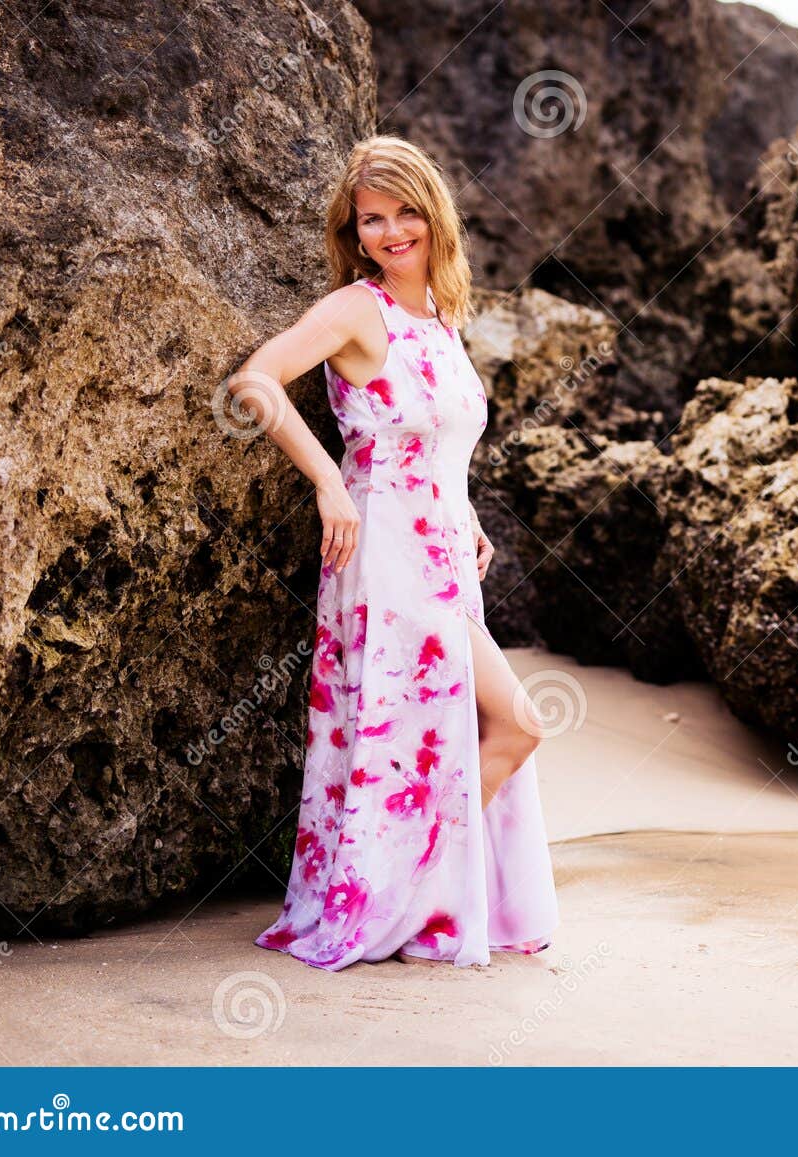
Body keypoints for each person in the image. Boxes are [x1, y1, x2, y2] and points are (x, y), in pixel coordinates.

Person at [229, 135, 558, 971]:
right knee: (511, 722)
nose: (390, 231)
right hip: (383, 553)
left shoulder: (442, 316)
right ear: (354, 232)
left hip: (443, 552)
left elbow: (435, 440)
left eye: (406, 212)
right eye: (371, 219)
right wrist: (327, 482)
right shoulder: (356, 308)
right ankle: (412, 899)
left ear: (434, 215)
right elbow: (256, 381)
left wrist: (467, 510)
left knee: (441, 734)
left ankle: (422, 896)